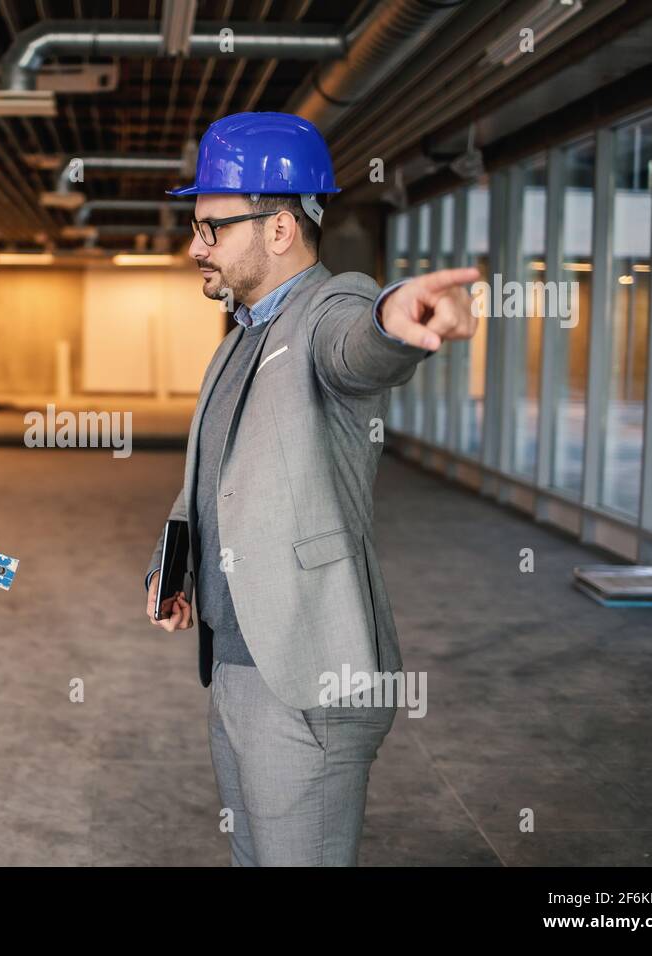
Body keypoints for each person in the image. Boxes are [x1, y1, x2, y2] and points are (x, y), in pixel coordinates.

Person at [145, 112, 478, 866]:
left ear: (280, 228)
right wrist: (178, 565)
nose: (195, 246)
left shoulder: (328, 309)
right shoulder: (239, 341)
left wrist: (396, 320)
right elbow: (215, 478)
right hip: (236, 661)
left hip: (305, 676)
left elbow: (359, 346)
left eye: (211, 227)